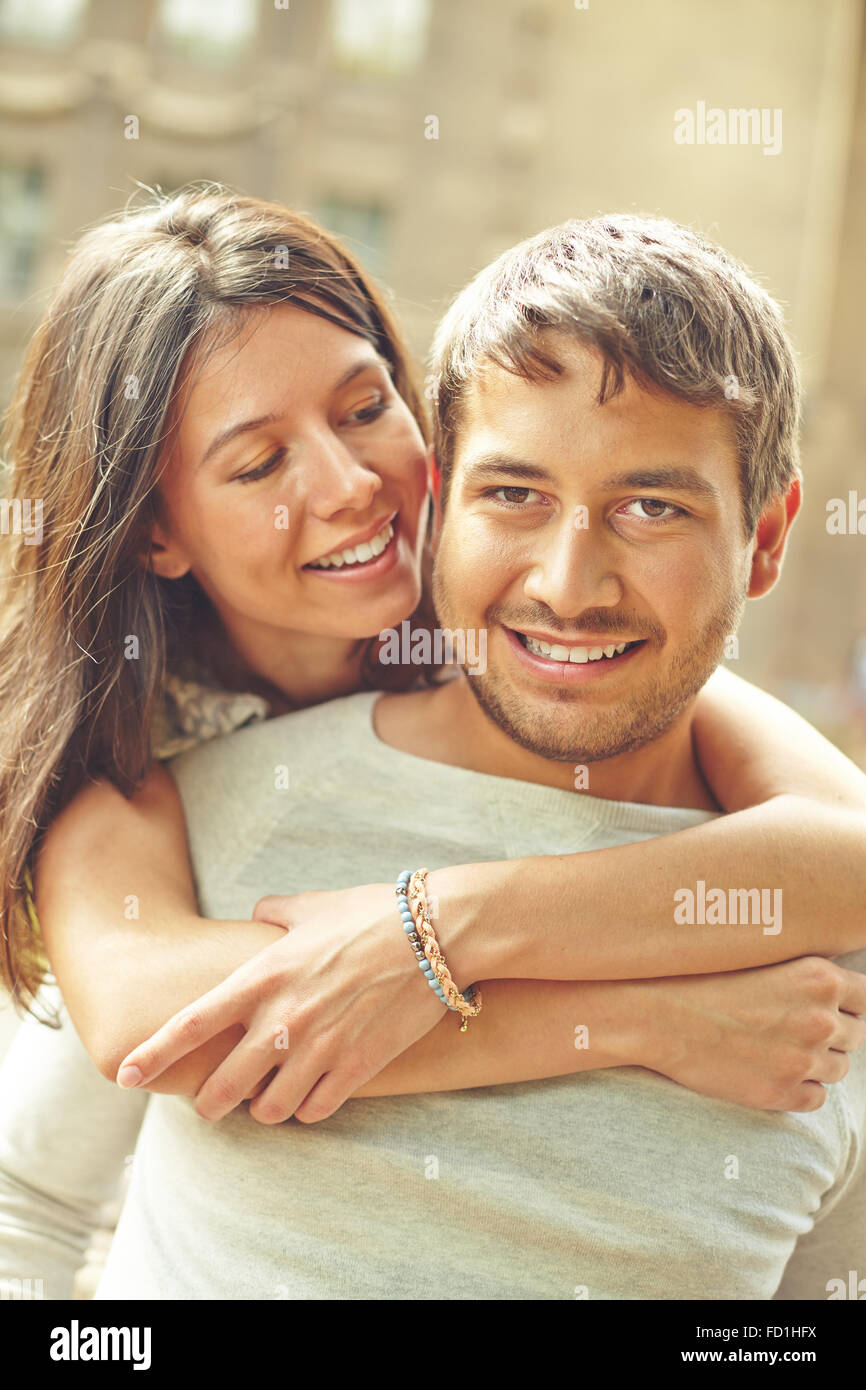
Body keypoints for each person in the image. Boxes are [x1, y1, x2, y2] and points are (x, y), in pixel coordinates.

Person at [27, 212, 866, 1300]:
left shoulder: (606, 678)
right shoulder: (147, 786)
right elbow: (155, 1033)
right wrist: (636, 1015)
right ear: (156, 531)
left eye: (364, 409)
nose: (348, 486)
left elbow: (848, 861)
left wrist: (430, 926)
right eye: (256, 461)